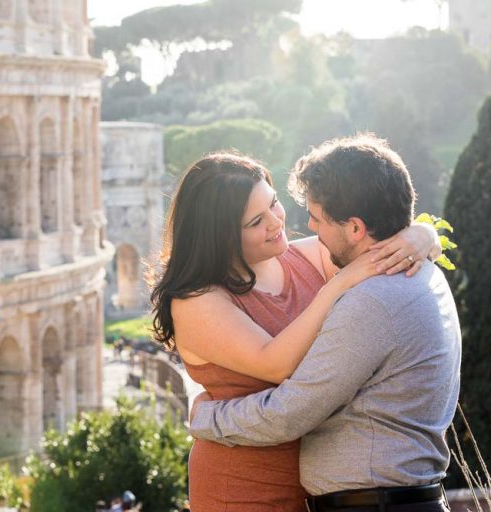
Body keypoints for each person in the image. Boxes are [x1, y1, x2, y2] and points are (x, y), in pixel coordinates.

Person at [150, 150, 440, 511]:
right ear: (220, 236)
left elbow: (363, 241)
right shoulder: (197, 302)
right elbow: (275, 363)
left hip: (319, 489)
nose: (276, 222)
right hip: (243, 488)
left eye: (273, 203)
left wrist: (423, 235)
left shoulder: (300, 258)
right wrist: (336, 286)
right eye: (256, 221)